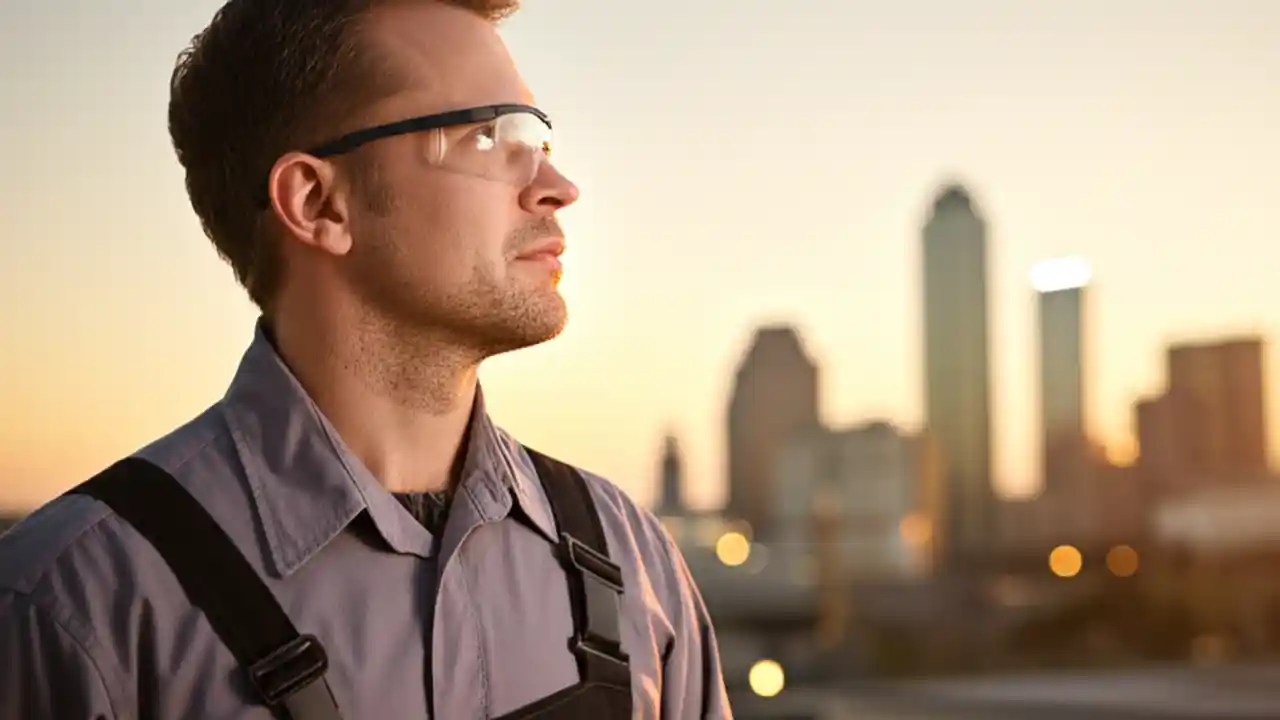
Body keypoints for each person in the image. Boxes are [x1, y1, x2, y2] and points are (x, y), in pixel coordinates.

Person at [0, 1, 732, 717]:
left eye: (538, 138)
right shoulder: (71, 608)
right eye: (486, 136)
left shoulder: (634, 563)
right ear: (318, 203)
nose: (557, 187)